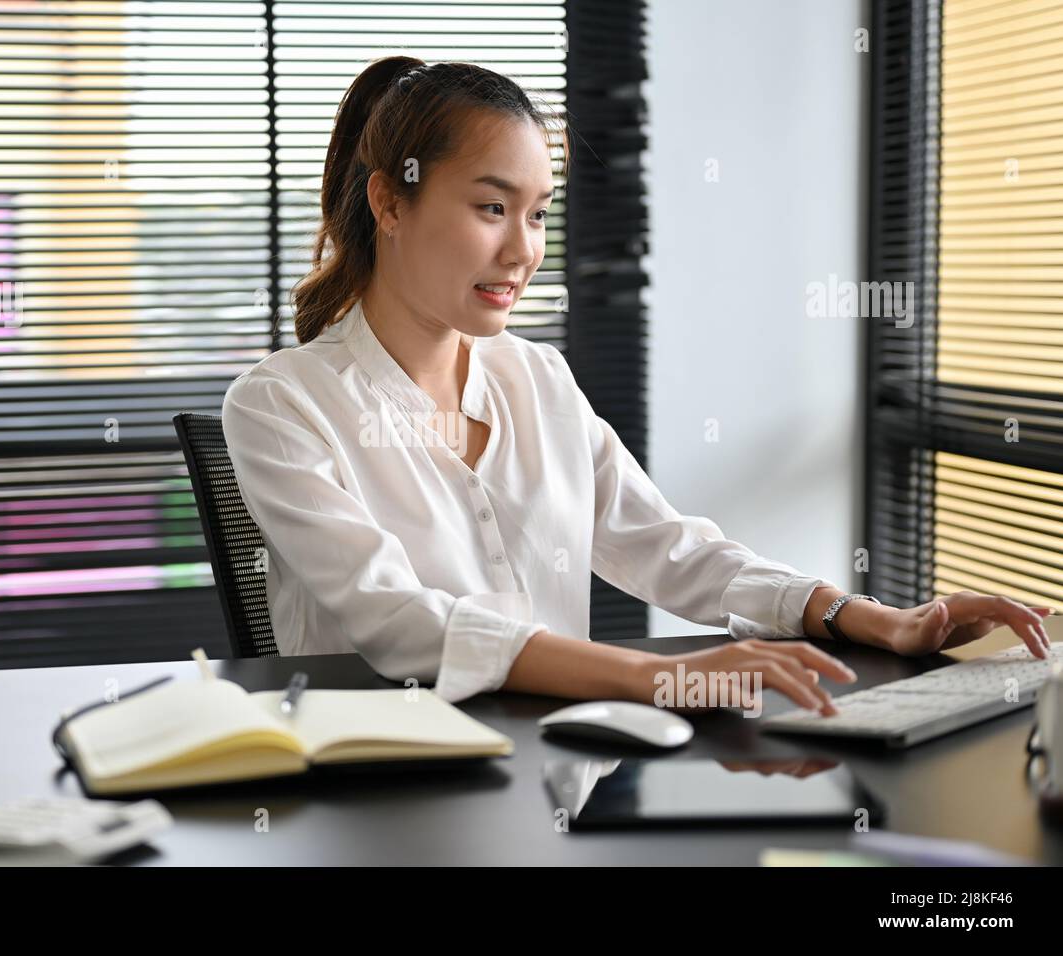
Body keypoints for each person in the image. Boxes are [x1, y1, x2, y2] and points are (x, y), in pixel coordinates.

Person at [222, 56, 1052, 714]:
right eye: (490, 207)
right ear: (389, 204)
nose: (524, 251)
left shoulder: (536, 377)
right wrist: (658, 678)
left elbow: (665, 548)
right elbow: (398, 622)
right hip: (375, 804)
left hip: (556, 784)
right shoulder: (283, 404)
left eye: (540, 213)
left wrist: (866, 616)